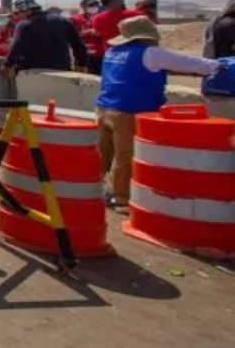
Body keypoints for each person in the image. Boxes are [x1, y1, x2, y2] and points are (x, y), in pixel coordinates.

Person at [95, 16, 226, 209]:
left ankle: (91, 189)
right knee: (126, 157)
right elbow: (188, 63)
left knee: (103, 153)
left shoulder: (113, 52)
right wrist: (218, 66)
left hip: (104, 108)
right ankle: (119, 197)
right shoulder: (151, 53)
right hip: (129, 111)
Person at [4, 0, 88, 72]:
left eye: (17, 13)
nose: (17, 16)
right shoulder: (63, 21)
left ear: (27, 11)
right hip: (62, 70)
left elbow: (16, 46)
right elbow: (78, 44)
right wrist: (82, 64)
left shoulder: (24, 24)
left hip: (32, 71)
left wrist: (8, 65)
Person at [70, 0, 104, 74]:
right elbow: (72, 35)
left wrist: (98, 32)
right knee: (82, 77)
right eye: (90, 5)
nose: (94, 7)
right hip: (82, 54)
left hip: (100, 54)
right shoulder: (75, 19)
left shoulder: (102, 18)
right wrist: (86, 32)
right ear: (82, 6)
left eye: (96, 5)